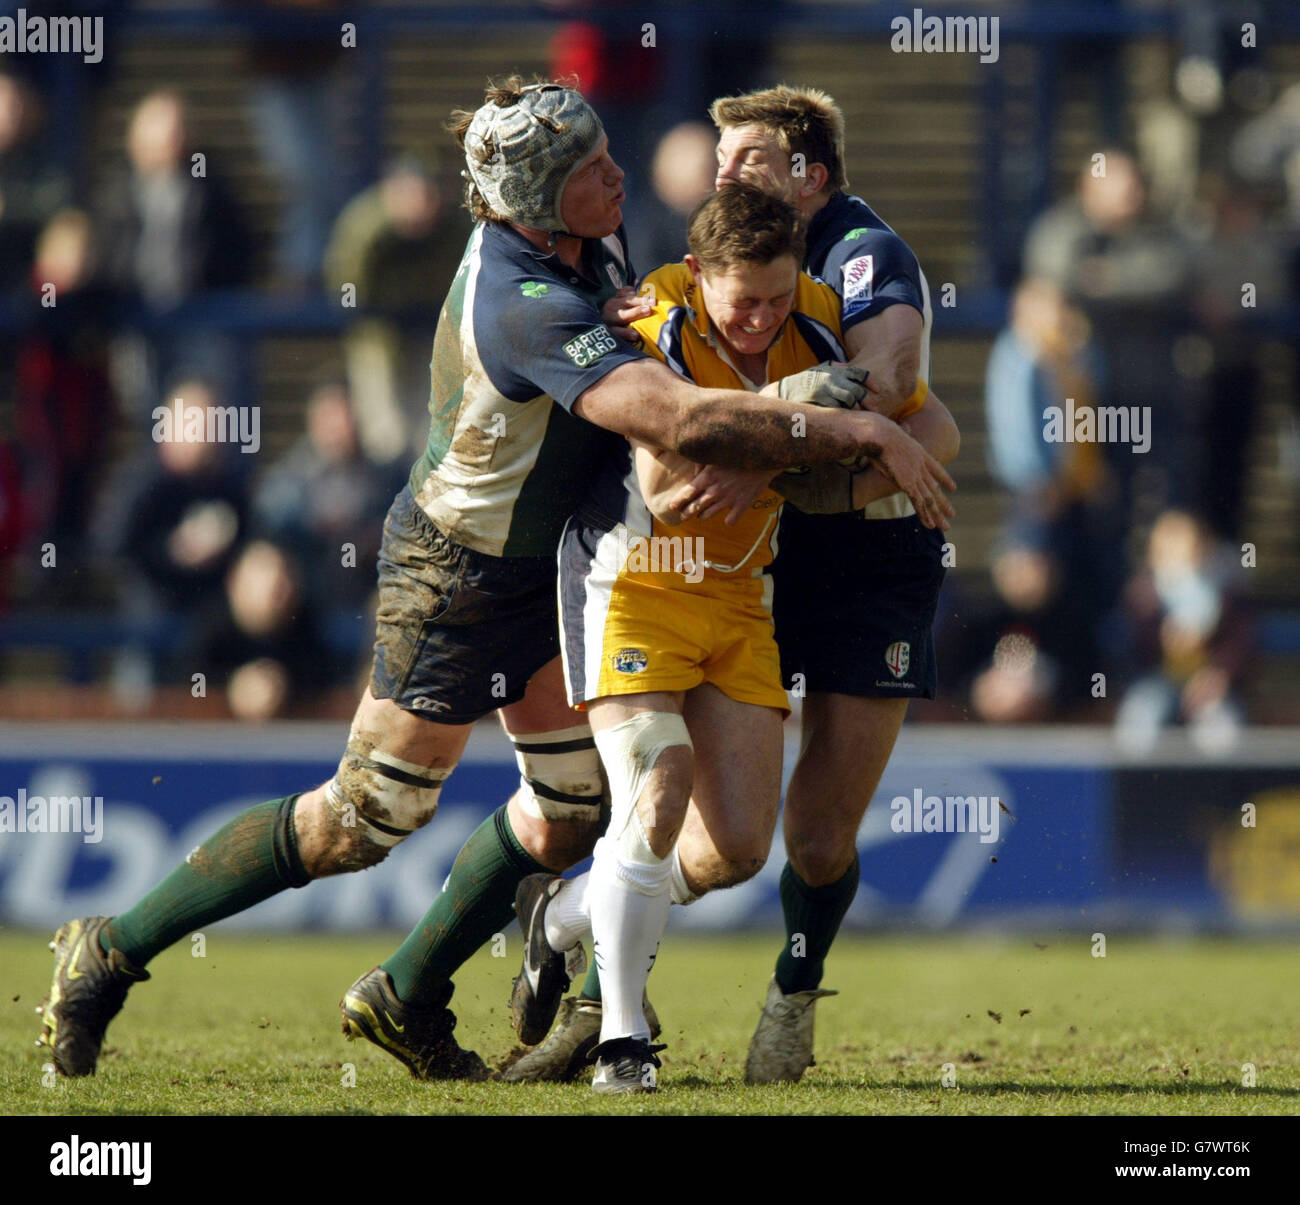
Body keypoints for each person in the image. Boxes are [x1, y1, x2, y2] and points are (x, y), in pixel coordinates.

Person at [38, 77, 950, 1081]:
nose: (619, 173)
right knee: (362, 816)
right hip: (457, 576)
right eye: (594, 168)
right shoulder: (525, 302)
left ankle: (418, 991)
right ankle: (110, 950)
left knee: (575, 806)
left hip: (556, 559)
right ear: (544, 196)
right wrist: (852, 425)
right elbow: (679, 423)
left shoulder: (585, 242)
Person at [525, 85, 961, 1084]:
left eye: (745, 157)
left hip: (856, 560)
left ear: (805, 175)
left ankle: (789, 982)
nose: (722, 170)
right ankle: (616, 1021)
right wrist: (778, 423)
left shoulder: (854, 259)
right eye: (718, 158)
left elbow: (905, 403)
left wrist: (761, 443)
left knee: (794, 839)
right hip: (689, 571)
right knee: (660, 788)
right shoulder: (670, 294)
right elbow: (664, 474)